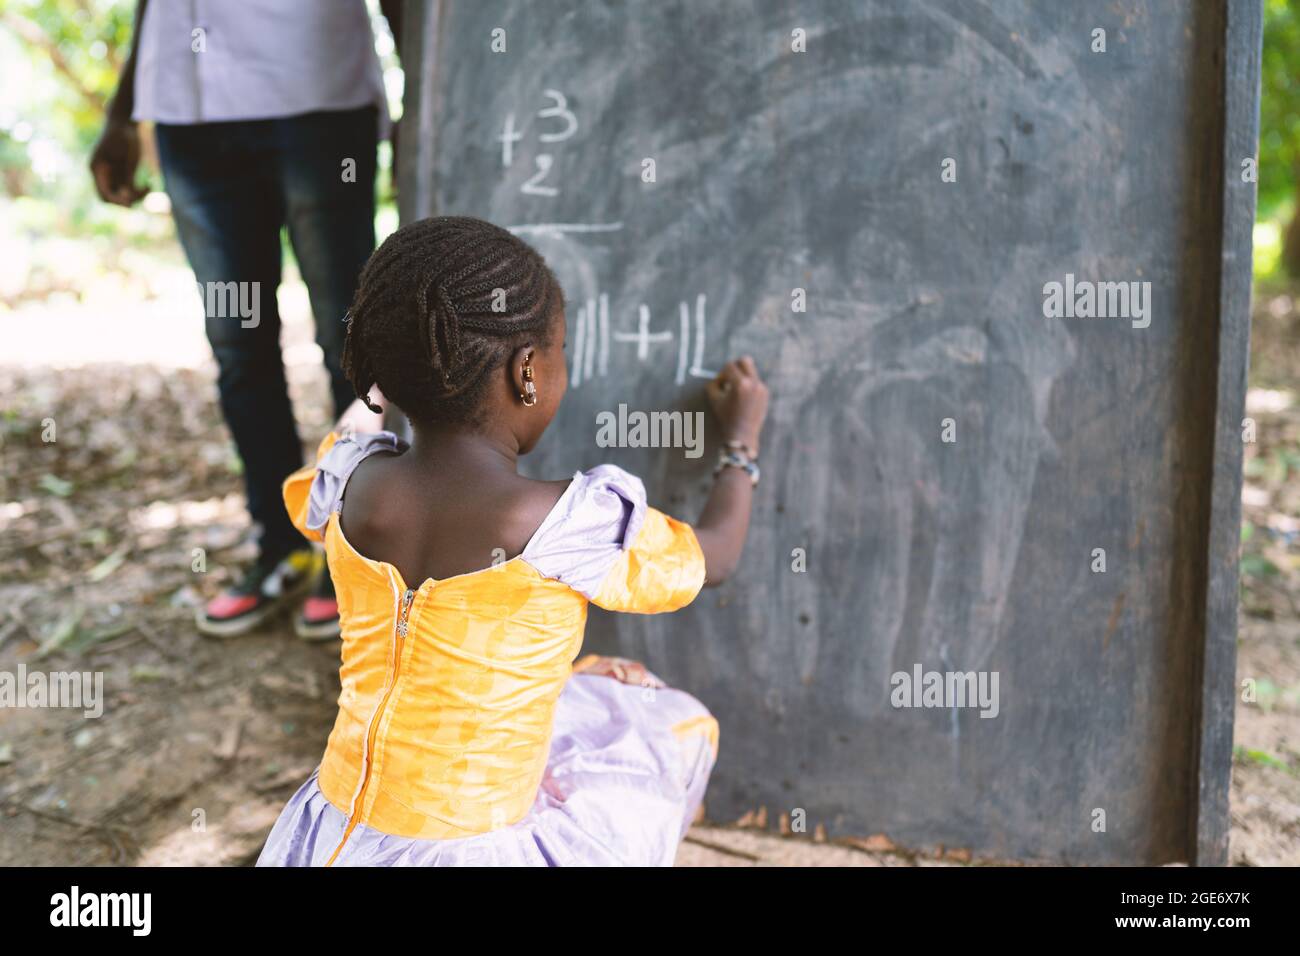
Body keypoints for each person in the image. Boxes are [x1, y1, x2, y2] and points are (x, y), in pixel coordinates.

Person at [256, 216, 769, 865]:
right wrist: (742, 442)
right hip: (473, 847)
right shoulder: (564, 520)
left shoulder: (347, 481)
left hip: (336, 828)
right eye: (559, 353)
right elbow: (714, 555)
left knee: (587, 694)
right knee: (649, 715)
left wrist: (389, 369)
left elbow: (340, 441)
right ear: (528, 370)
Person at [90, 0, 403, 641]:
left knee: (349, 337)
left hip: (312, 90)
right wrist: (123, 112)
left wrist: (423, 101)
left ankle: (362, 551)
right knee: (240, 344)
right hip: (186, 110)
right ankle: (281, 546)